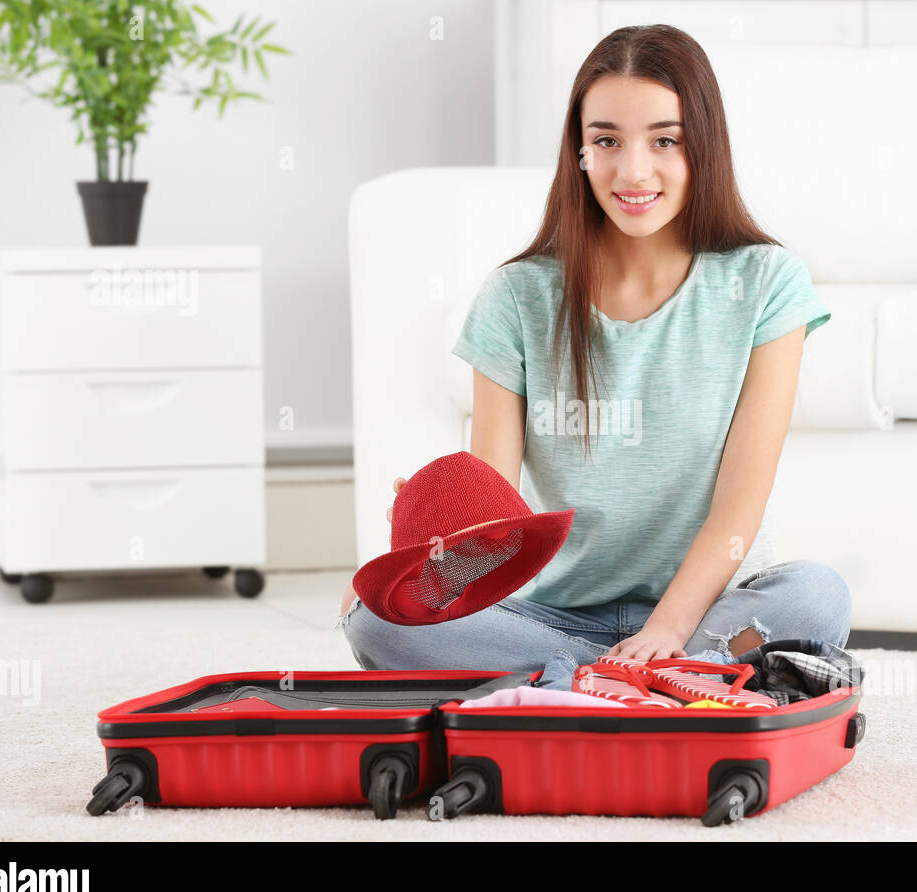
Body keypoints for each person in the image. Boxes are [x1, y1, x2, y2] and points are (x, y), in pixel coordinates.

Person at [339, 24, 850, 675]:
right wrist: (437, 541)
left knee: (816, 596)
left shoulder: (765, 283)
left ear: (703, 148)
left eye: (664, 141)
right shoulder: (516, 296)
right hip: (553, 617)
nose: (633, 171)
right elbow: (496, 523)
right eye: (606, 141)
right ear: (578, 152)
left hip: (704, 613)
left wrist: (667, 628)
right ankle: (641, 682)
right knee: (373, 619)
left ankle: (575, 682)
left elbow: (739, 505)